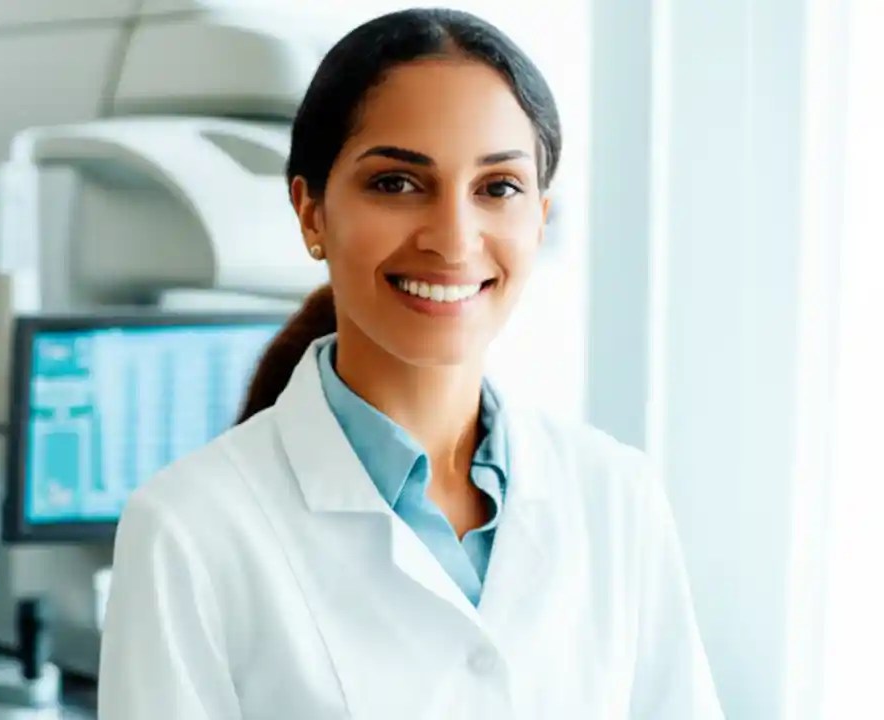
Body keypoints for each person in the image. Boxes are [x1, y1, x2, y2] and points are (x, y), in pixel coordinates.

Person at [98, 7, 723, 719]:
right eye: (397, 183)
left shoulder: (617, 498)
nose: (454, 241)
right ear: (311, 213)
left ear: (539, 219)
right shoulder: (189, 530)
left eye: (498, 188)